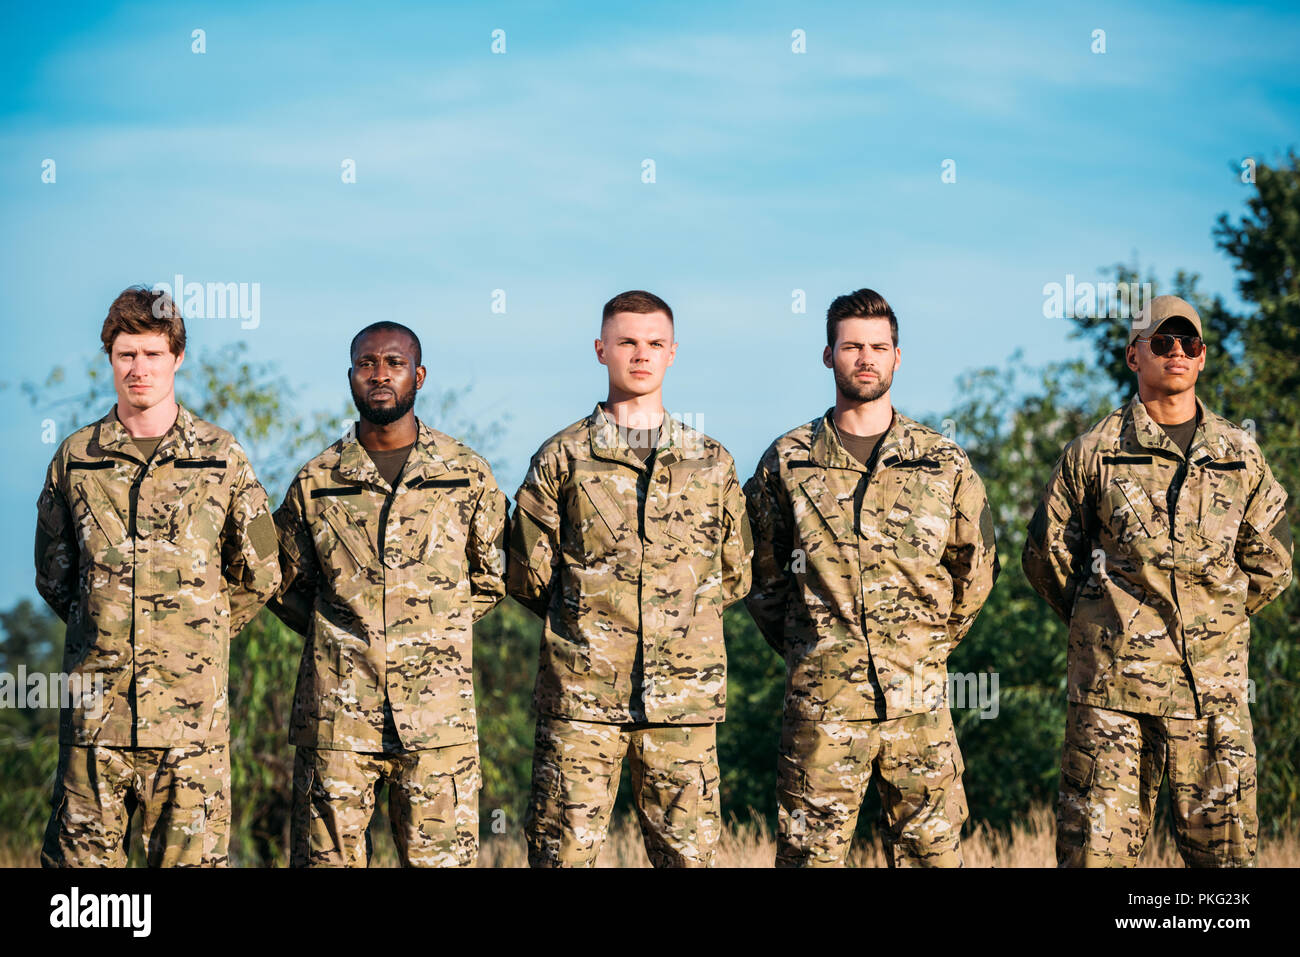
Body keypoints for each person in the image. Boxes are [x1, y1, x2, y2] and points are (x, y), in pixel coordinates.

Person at [1023, 294, 1293, 867]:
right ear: (1133, 355)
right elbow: (1047, 556)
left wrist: (1210, 622)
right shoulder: (1092, 453)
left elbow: (1272, 561)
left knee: (1226, 876)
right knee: (1095, 860)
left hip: (1214, 697)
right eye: (1161, 342)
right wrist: (1110, 624)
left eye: (1188, 344)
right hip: (1112, 698)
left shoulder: (1239, 455)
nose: (1175, 352)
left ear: (1201, 359)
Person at [744, 288, 998, 867]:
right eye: (851, 346)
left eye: (878, 347)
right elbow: (762, 577)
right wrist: (813, 649)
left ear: (897, 357)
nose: (865, 358)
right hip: (821, 709)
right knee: (811, 860)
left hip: (920, 708)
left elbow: (975, 570)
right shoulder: (786, 459)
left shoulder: (942, 461)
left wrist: (924, 647)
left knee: (933, 859)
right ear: (828, 355)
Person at [36, 286, 281, 867]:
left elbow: (263, 572)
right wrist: (108, 623)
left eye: (151, 354)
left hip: (192, 726)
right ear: (110, 360)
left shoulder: (223, 459)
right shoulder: (76, 458)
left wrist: (203, 627)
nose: (138, 369)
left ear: (177, 359)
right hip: (97, 724)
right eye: (126, 355)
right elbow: (55, 576)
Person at [508, 290, 752, 867]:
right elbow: (526, 572)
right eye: (626, 342)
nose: (640, 355)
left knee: (689, 859)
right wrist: (589, 630)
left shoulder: (710, 461)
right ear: (600, 350)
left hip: (683, 703)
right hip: (581, 701)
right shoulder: (561, 457)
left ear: (672, 353)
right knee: (561, 855)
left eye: (653, 344)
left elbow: (736, 572)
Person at [268, 322, 508, 867]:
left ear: (418, 375)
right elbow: (281, 583)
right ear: (351, 377)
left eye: (394, 363)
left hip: (438, 721)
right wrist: (344, 631)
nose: (380, 374)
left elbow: (493, 575)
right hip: (337, 720)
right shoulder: (317, 479)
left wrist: (431, 628)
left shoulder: (464, 474)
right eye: (367, 363)